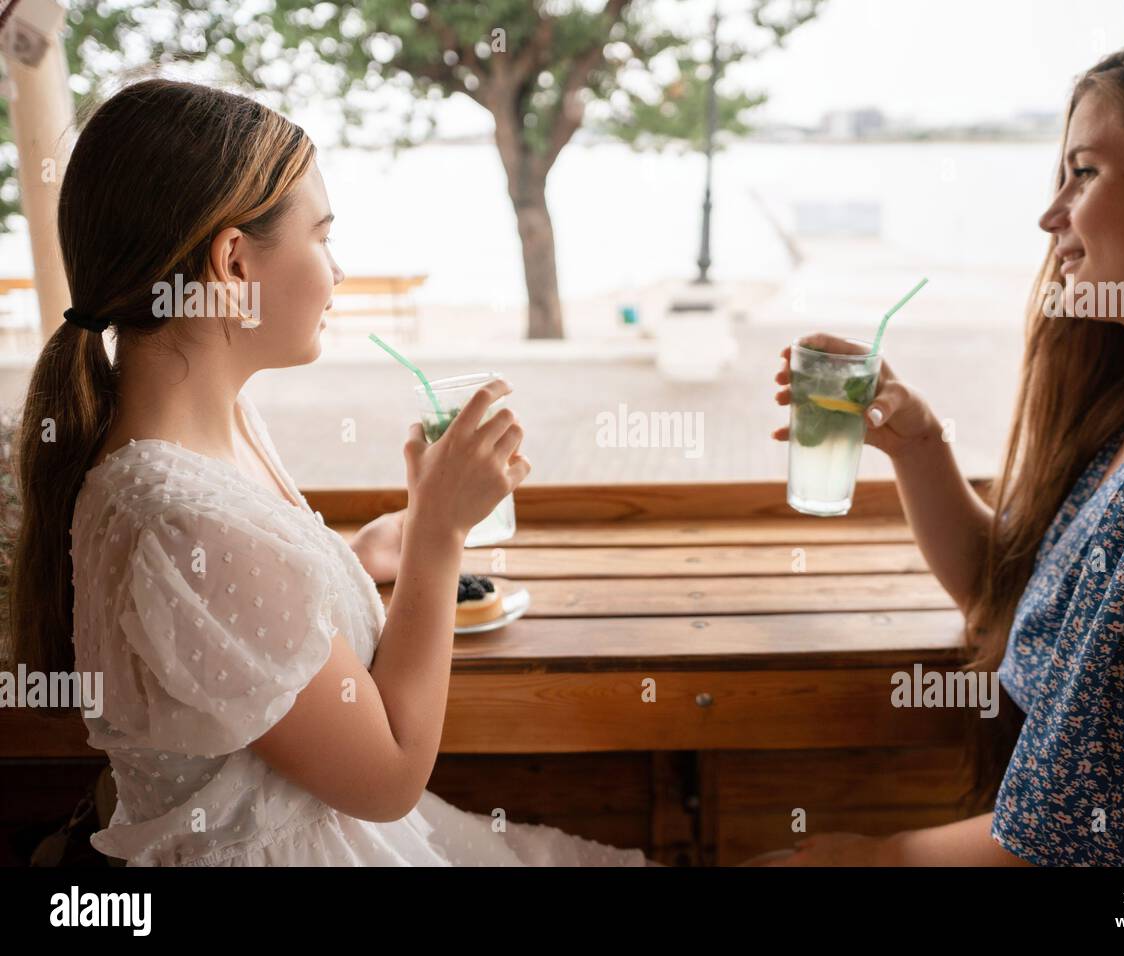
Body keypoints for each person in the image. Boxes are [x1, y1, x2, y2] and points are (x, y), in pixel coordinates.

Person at [9, 78, 650, 866]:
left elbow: (232, 636)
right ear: (233, 261)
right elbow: (387, 780)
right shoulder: (182, 520)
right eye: (322, 236)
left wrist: (355, 556)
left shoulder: (216, 428)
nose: (338, 272)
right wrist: (438, 537)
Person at [767, 25, 1124, 865]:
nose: (1050, 215)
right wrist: (919, 447)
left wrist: (870, 856)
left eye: (1083, 173)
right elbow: (1016, 606)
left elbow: (1103, 845)